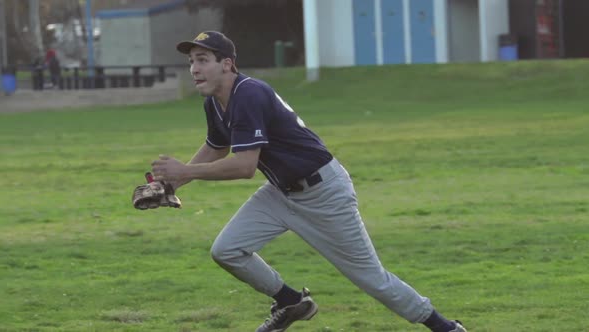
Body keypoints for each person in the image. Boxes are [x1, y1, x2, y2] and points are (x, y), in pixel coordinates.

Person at [151, 31, 467, 332]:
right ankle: (291, 303)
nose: (194, 68)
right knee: (227, 250)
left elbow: (245, 166)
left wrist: (185, 171)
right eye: (191, 61)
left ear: (227, 64)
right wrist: (172, 184)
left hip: (324, 193)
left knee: (372, 279)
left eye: (202, 59)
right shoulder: (215, 102)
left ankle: (445, 327)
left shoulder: (248, 93)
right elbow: (217, 147)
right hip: (281, 193)